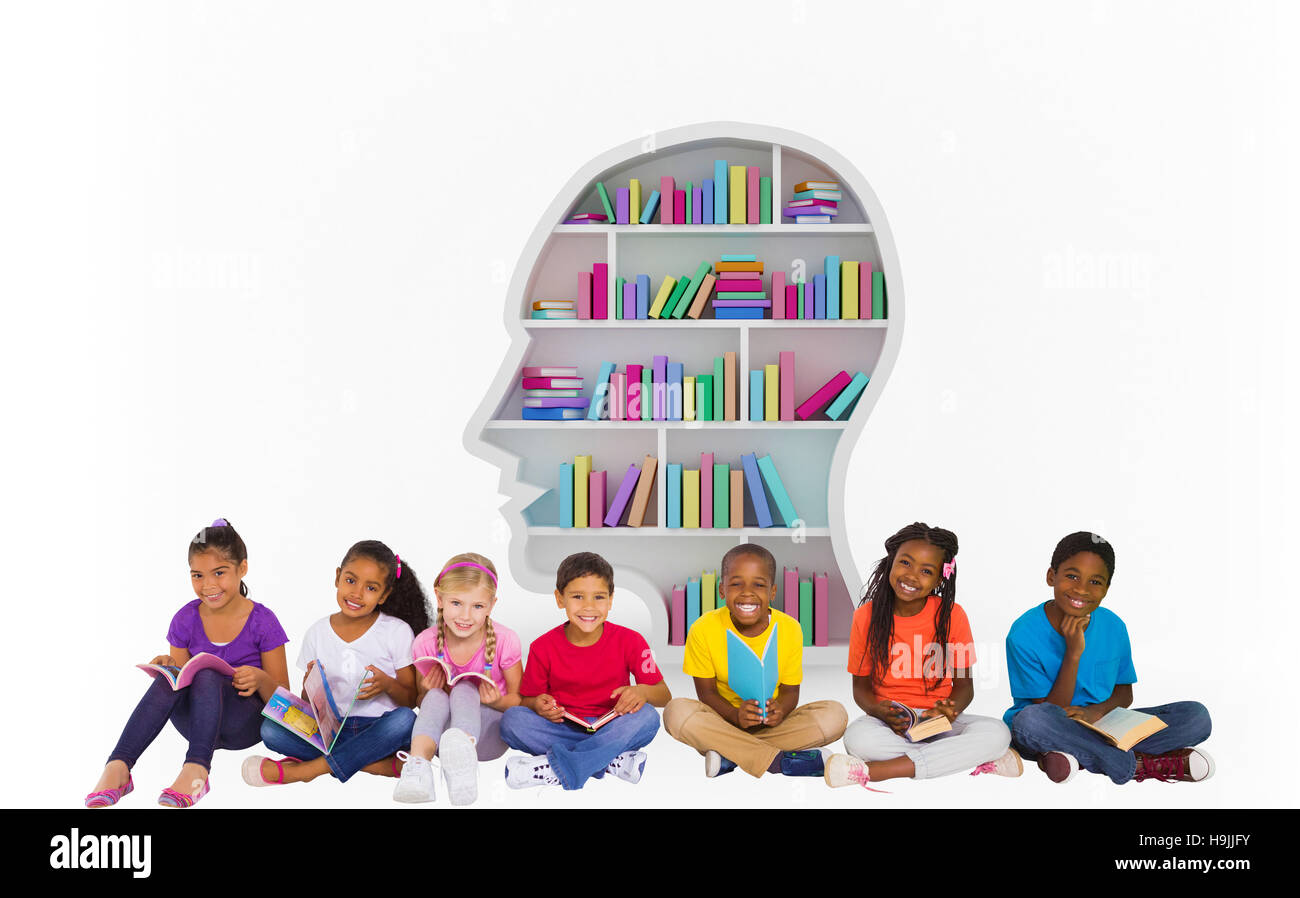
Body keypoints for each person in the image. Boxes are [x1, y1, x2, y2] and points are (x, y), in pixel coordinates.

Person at [85, 519, 290, 808]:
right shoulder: (186, 618)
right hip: (196, 724)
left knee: (206, 672)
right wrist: (168, 668)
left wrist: (260, 679)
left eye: (219, 573)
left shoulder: (263, 621)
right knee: (170, 678)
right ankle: (119, 766)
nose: (208, 586)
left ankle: (196, 770)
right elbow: (179, 685)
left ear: (242, 568)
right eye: (197, 575)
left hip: (244, 723)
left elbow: (286, 704)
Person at [1004, 531, 1213, 784]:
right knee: (1030, 722)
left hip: (1103, 723)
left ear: (1106, 588)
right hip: (1051, 723)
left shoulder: (1114, 626)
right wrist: (1073, 653)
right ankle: (1136, 765)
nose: (1081, 589)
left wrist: (1097, 713)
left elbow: (1124, 694)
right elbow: (1051, 710)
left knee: (1196, 716)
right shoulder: (1024, 633)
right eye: (1072, 576)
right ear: (1051, 576)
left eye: (1095, 582)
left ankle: (1074, 756)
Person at [824, 522, 1018, 789]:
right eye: (905, 562)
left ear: (940, 579)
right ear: (891, 561)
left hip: (936, 724)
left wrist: (949, 711)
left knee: (997, 732)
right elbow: (860, 688)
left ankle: (876, 771)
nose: (912, 576)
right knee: (858, 739)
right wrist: (876, 709)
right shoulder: (865, 617)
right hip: (890, 724)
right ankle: (970, 757)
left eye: (926, 571)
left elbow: (964, 687)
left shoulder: (952, 615)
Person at [241, 540, 426, 786]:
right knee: (270, 730)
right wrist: (309, 686)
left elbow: (411, 700)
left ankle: (307, 771)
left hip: (379, 727)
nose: (357, 593)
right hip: (332, 731)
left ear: (385, 594)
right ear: (337, 577)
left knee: (405, 721)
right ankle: (377, 765)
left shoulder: (396, 631)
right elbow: (308, 705)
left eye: (371, 588)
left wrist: (387, 685)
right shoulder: (317, 633)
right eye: (351, 580)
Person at [664, 544, 848, 778]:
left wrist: (780, 710)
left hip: (772, 725)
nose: (747, 593)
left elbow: (791, 692)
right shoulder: (703, 628)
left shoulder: (790, 629)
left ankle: (730, 754)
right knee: (675, 712)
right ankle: (777, 761)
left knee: (835, 715)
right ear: (722, 589)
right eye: (736, 584)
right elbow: (707, 694)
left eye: (759, 585)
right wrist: (734, 715)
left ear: (772, 592)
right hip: (723, 721)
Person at [499, 551, 670, 790]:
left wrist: (642, 691)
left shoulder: (631, 640)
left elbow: (663, 695)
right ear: (560, 599)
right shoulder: (542, 646)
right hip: (563, 727)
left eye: (599, 597)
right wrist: (539, 705)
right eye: (577, 596)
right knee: (512, 721)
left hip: (613, 724)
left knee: (648, 718)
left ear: (611, 600)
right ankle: (609, 760)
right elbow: (527, 700)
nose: (589, 607)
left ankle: (558, 767)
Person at [393, 552, 522, 805]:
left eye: (477, 606)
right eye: (456, 603)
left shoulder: (506, 640)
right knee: (437, 695)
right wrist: (427, 691)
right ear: (439, 598)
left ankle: (463, 754)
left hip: (487, 737)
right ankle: (419, 767)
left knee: (464, 687)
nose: (465, 616)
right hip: (440, 741)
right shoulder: (425, 642)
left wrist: (497, 701)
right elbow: (422, 701)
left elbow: (519, 699)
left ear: (491, 605)